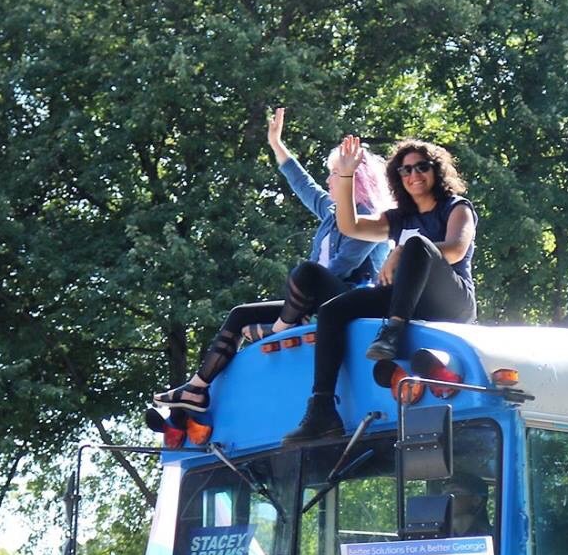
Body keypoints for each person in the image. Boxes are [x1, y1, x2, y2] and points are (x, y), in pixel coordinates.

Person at [156, 109, 392, 414]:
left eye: (334, 174)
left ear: (354, 180)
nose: (328, 180)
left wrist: (297, 303)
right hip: (312, 303)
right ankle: (198, 388)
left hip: (349, 300)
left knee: (307, 272)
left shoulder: (366, 220)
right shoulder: (332, 213)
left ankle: (281, 326)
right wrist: (276, 144)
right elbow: (303, 185)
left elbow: (339, 269)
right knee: (240, 314)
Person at [284, 135, 478, 443]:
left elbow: (455, 249)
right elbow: (351, 227)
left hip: (450, 301)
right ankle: (322, 408)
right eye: (406, 170)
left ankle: (393, 332)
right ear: (398, 177)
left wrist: (400, 251)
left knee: (416, 246)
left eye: (421, 167)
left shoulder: (456, 208)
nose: (414, 175)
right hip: (407, 297)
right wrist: (346, 175)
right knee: (333, 310)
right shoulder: (400, 217)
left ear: (436, 171)